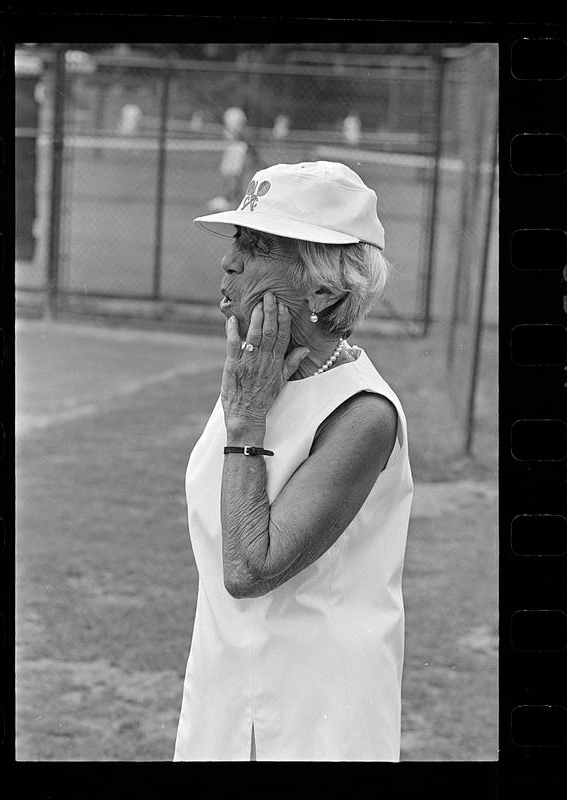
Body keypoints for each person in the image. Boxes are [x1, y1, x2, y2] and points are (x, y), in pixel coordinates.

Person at [174, 161, 413, 761]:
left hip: (315, 718)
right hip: (224, 690)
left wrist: (247, 419)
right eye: (237, 243)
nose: (229, 263)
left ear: (325, 290)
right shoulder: (260, 372)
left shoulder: (362, 413)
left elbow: (251, 568)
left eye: (255, 247)